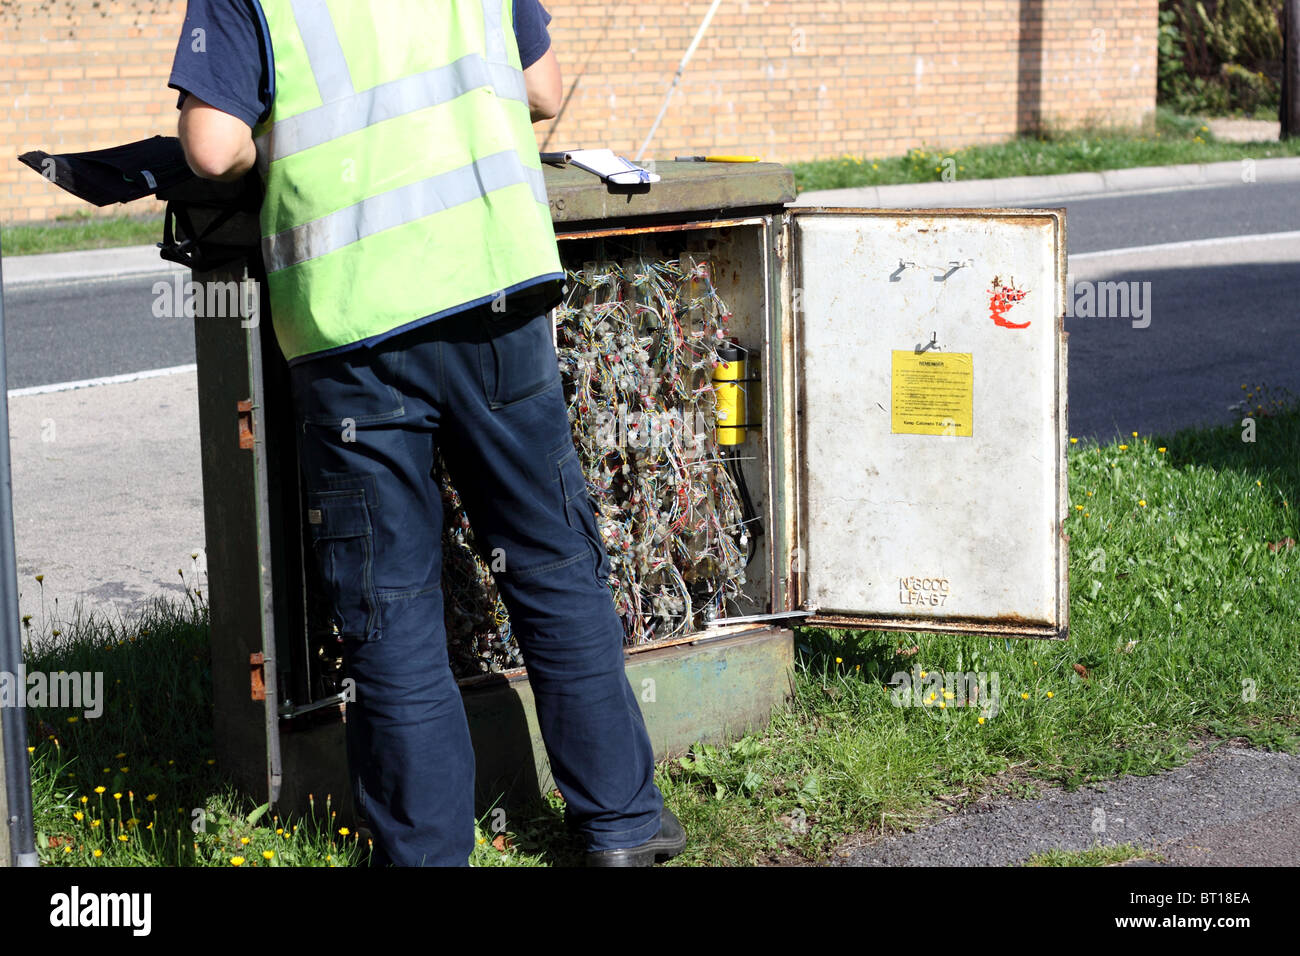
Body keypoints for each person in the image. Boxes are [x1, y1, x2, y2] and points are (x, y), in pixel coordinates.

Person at [168, 0, 686, 867]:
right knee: (553, 562)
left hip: (354, 325)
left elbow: (213, 146)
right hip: (493, 291)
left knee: (391, 607)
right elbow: (542, 88)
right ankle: (623, 827)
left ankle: (426, 854)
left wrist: (277, 140)